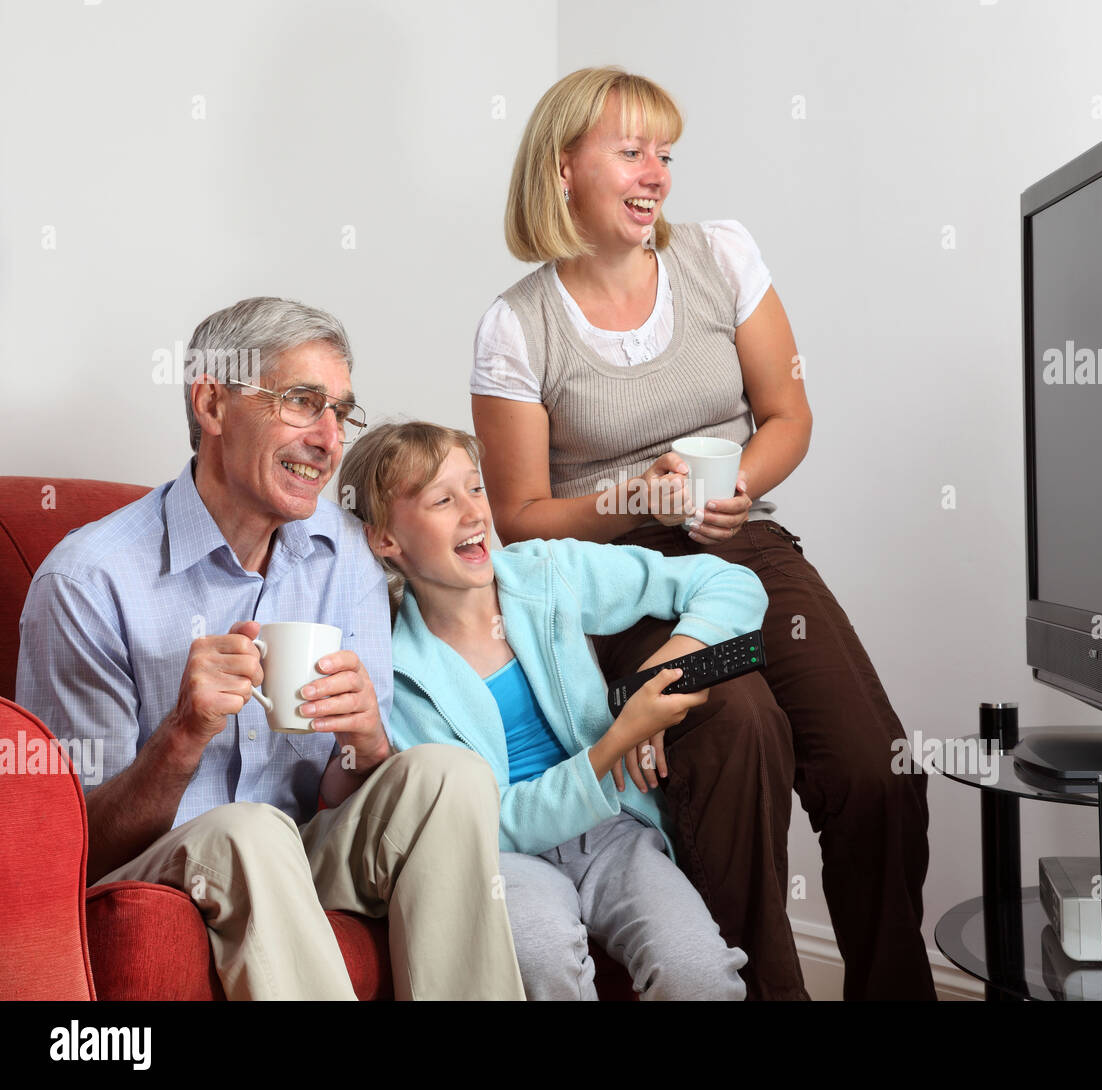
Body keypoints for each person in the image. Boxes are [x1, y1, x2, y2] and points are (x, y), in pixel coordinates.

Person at [470, 67, 934, 1000]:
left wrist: (735, 491)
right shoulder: (516, 327)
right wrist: (641, 501)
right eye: (631, 151)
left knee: (873, 769)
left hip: (743, 549)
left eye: (666, 153)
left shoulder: (721, 257)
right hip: (614, 578)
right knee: (736, 732)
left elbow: (787, 415)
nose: (658, 175)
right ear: (563, 168)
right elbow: (517, 523)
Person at [16, 297, 524, 1001]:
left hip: (298, 852)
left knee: (449, 775)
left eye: (340, 413)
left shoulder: (345, 553)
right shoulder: (89, 580)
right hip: (172, 861)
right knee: (249, 833)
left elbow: (339, 790)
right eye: (303, 402)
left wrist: (366, 743)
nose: (328, 438)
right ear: (213, 406)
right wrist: (184, 736)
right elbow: (70, 848)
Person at [339, 420, 756, 1000]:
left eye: (476, 488)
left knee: (699, 973)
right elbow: (494, 818)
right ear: (386, 540)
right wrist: (616, 742)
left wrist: (676, 656)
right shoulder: (395, 674)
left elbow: (729, 583)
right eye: (442, 499)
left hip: (614, 834)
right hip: (502, 856)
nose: (473, 512)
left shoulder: (545, 573)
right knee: (540, 961)